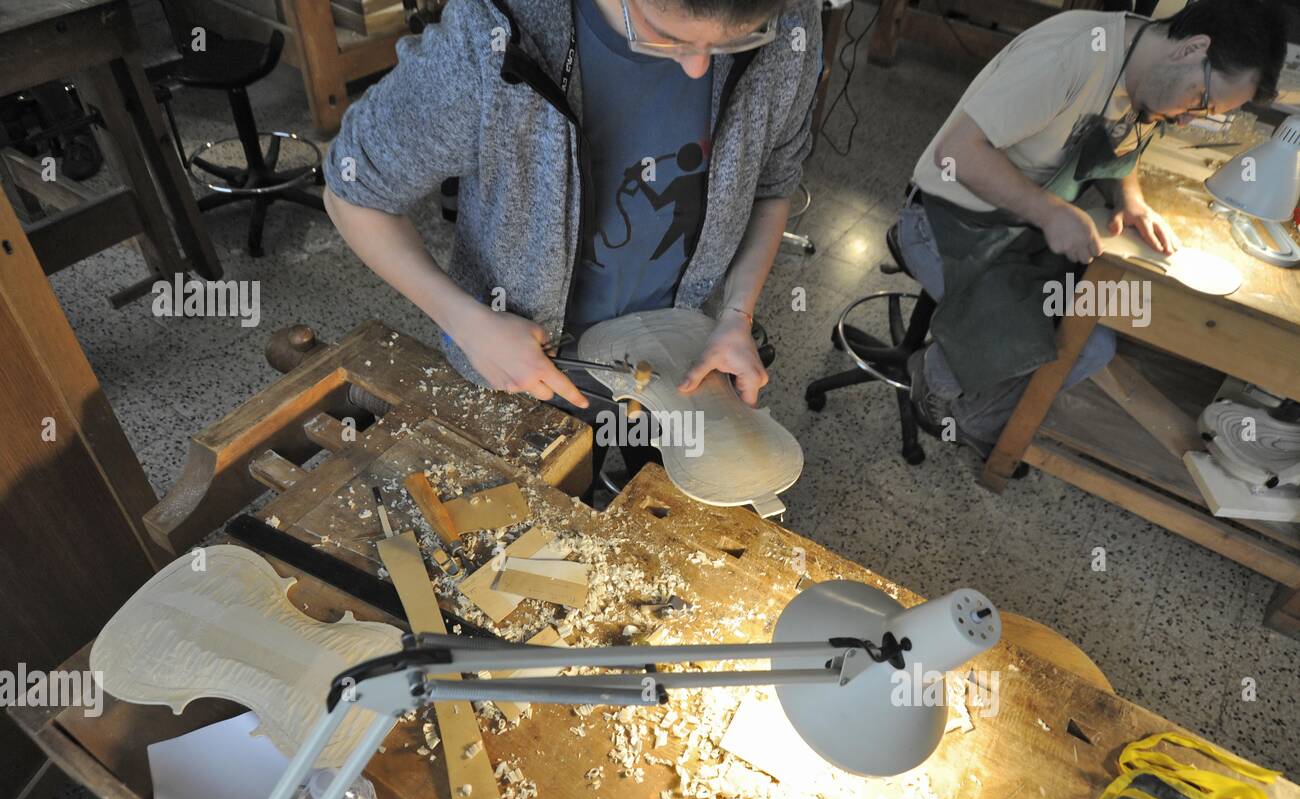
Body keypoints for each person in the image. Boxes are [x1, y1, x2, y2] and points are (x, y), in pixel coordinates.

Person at [323, 0, 822, 486]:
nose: (697, 68)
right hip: (528, 376)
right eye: (666, 34)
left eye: (733, 42)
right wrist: (467, 324)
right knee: (533, 535)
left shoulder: (787, 17)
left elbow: (774, 182)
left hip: (688, 357)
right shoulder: (491, 39)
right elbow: (351, 194)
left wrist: (737, 315)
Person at [899, 0, 1289, 459]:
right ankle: (938, 381)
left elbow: (1120, 137)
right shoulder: (1071, 55)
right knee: (1042, 334)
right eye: (1201, 102)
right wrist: (1048, 211)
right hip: (946, 222)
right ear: (1193, 48)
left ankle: (976, 418)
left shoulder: (1147, 70)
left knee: (1093, 342)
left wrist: (1132, 201)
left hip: (1020, 232)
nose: (1190, 119)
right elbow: (957, 153)